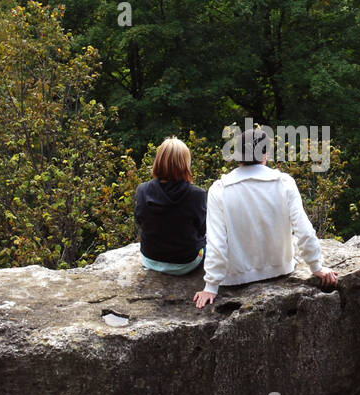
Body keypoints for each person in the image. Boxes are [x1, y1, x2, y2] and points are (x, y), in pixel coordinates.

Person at [194, 126, 338, 308]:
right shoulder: (284, 182)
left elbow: (216, 241)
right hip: (281, 267)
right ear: (265, 155)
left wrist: (211, 286)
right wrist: (316, 267)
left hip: (235, 277)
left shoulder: (220, 189)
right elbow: (304, 230)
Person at [135, 137, 207, 275]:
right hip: (186, 262)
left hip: (150, 259)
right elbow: (203, 229)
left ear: (159, 160)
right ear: (185, 163)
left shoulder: (142, 190)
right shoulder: (196, 194)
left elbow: (140, 221)